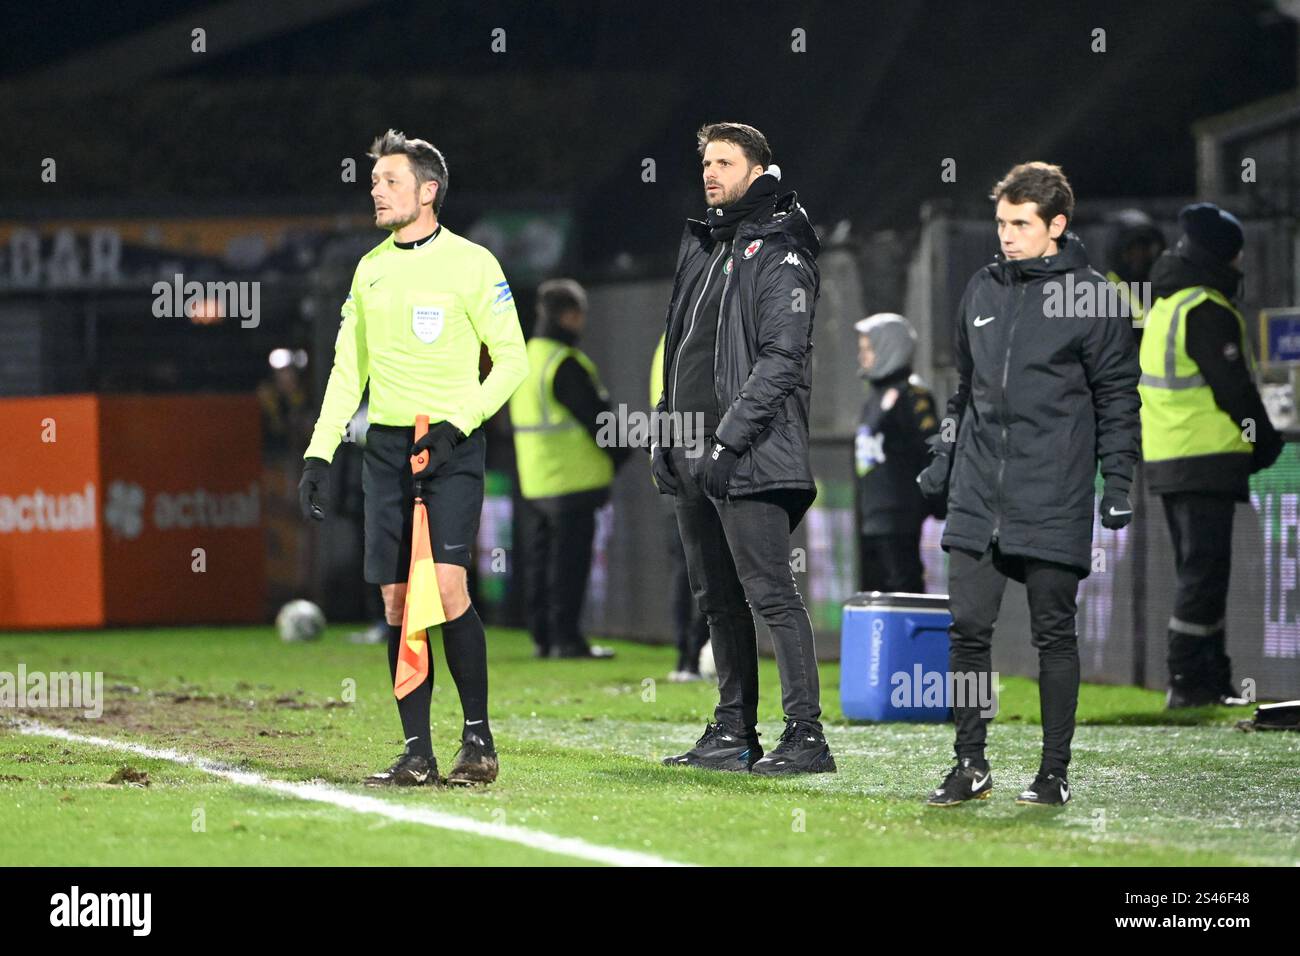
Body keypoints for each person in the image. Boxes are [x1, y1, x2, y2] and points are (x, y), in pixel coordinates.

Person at [298, 129, 528, 787]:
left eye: (389, 180)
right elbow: (349, 371)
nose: (376, 189)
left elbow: (513, 359)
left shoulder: (473, 263)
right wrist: (319, 454)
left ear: (429, 191)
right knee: (398, 603)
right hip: (386, 451)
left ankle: (477, 742)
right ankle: (416, 753)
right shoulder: (369, 269)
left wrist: (460, 424)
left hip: (452, 444)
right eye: (374, 181)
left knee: (448, 587)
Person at [917, 162, 1140, 807]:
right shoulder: (982, 289)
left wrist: (1118, 480)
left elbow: (1118, 398)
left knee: (1053, 635)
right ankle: (969, 763)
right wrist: (945, 456)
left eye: (1020, 224)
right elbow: (964, 392)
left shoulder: (1095, 297)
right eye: (1001, 223)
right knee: (966, 630)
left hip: (1053, 492)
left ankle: (1053, 771)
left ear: (1056, 225)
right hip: (977, 491)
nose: (1007, 235)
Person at [652, 122, 833, 775]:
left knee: (770, 594)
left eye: (724, 162)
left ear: (760, 170)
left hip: (750, 451)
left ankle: (806, 737)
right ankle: (733, 732)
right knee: (717, 600)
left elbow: (783, 359)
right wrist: (666, 431)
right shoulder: (706, 244)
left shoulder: (781, 249)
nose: (710, 173)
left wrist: (727, 440)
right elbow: (679, 351)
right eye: (705, 161)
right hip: (693, 450)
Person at [1138, 202, 1283, 708]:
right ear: (1223, 256)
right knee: (1203, 575)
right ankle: (1188, 682)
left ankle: (1208, 679)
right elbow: (1234, 390)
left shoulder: (1167, 306)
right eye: (1238, 255)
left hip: (1171, 458)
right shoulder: (1206, 308)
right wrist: (1264, 441)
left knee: (1199, 573)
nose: (1242, 265)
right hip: (1204, 459)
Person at [510, 278, 627, 659]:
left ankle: (544, 637)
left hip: (535, 480)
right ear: (570, 315)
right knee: (569, 565)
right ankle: (567, 640)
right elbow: (598, 422)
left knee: (541, 563)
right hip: (572, 481)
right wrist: (623, 452)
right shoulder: (565, 364)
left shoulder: (525, 360)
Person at [853, 312, 942, 593]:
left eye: (868, 349)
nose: (862, 356)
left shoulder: (912, 394)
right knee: (874, 600)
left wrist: (935, 502)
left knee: (904, 596)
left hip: (899, 519)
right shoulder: (874, 398)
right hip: (872, 520)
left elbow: (931, 451)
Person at [650, 331, 709, 682]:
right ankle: (695, 654)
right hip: (697, 467)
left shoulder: (668, 340)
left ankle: (685, 658)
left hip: (672, 467)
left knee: (685, 570)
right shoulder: (698, 335)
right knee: (706, 569)